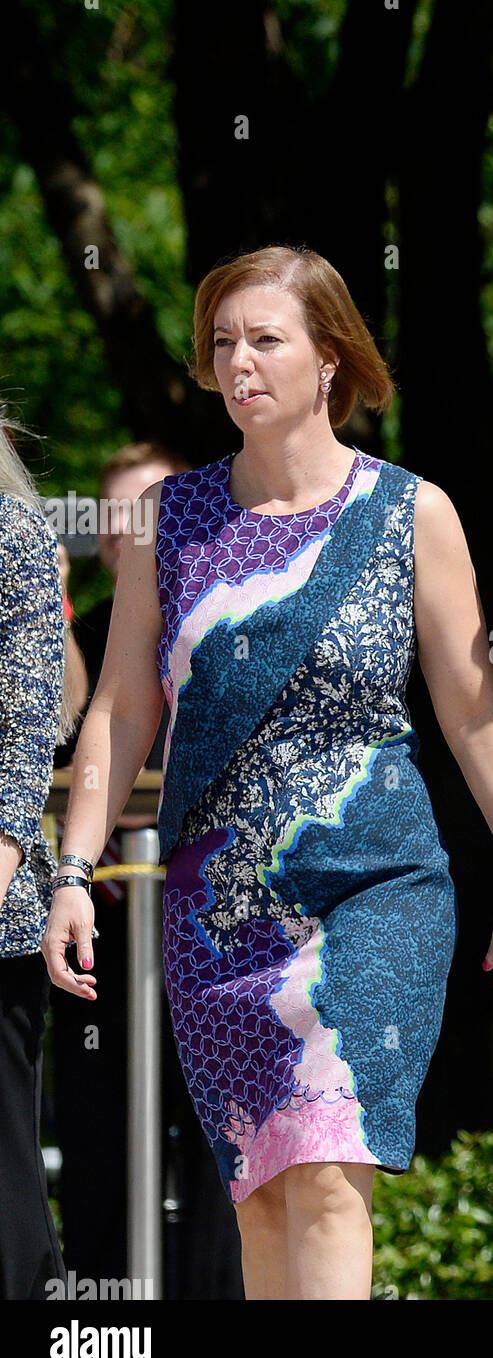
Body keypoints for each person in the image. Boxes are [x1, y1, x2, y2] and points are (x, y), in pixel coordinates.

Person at [42, 244, 493, 1301]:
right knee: (263, 1192)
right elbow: (123, 708)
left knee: (328, 1172)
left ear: (331, 358)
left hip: (378, 895)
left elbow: (473, 709)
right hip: (216, 910)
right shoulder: (166, 523)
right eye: (221, 344)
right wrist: (70, 869)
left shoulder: (412, 513)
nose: (238, 364)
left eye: (265, 340)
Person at [51, 441, 245, 1298]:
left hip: (225, 928)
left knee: (226, 1147)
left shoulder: (240, 619)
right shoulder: (73, 641)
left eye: (151, 511)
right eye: (117, 517)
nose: (135, 533)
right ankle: (107, 1321)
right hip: (107, 935)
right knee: (102, 1139)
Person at [0, 403, 75, 1298]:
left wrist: (9, 845)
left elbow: (27, 718)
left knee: (7, 1174)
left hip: (3, 906)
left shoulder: (12, 527)